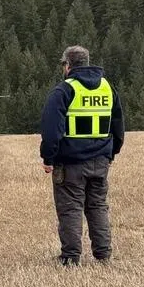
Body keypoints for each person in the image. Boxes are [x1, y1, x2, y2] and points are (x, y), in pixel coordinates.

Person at [39, 45, 125, 266]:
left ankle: (70, 257)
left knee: (70, 208)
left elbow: (51, 131)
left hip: (70, 163)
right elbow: (118, 126)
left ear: (67, 65)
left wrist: (48, 158)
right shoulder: (107, 88)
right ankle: (103, 255)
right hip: (101, 161)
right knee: (97, 206)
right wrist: (111, 153)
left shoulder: (64, 91)